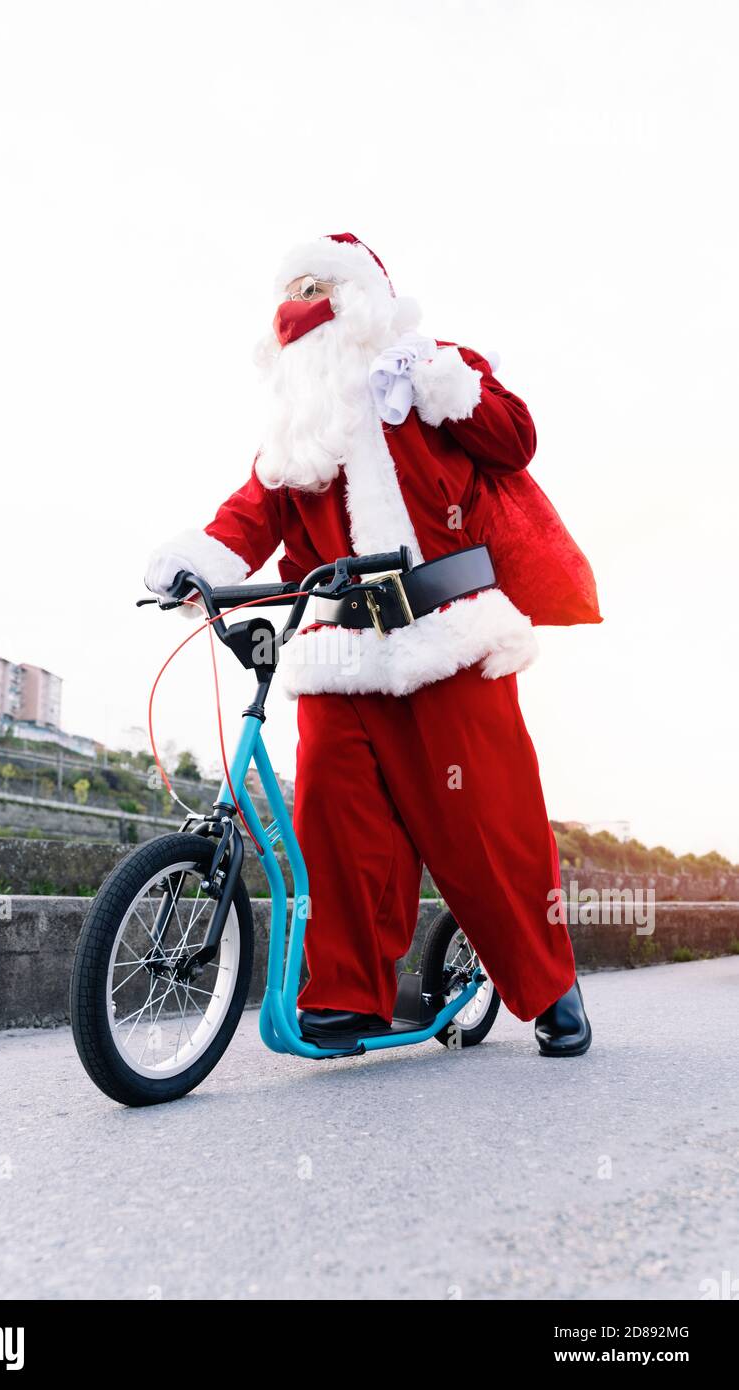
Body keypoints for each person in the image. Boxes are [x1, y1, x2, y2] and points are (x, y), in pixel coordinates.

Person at [144, 231, 592, 1057]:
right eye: (294, 289)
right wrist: (193, 566)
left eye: (322, 285)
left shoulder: (431, 364)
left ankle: (548, 987)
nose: (303, 303)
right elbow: (249, 513)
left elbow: (515, 440)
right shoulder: (295, 436)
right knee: (337, 823)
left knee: (488, 826)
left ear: (366, 297)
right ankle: (348, 995)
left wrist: (438, 382)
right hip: (341, 651)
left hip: (448, 637)